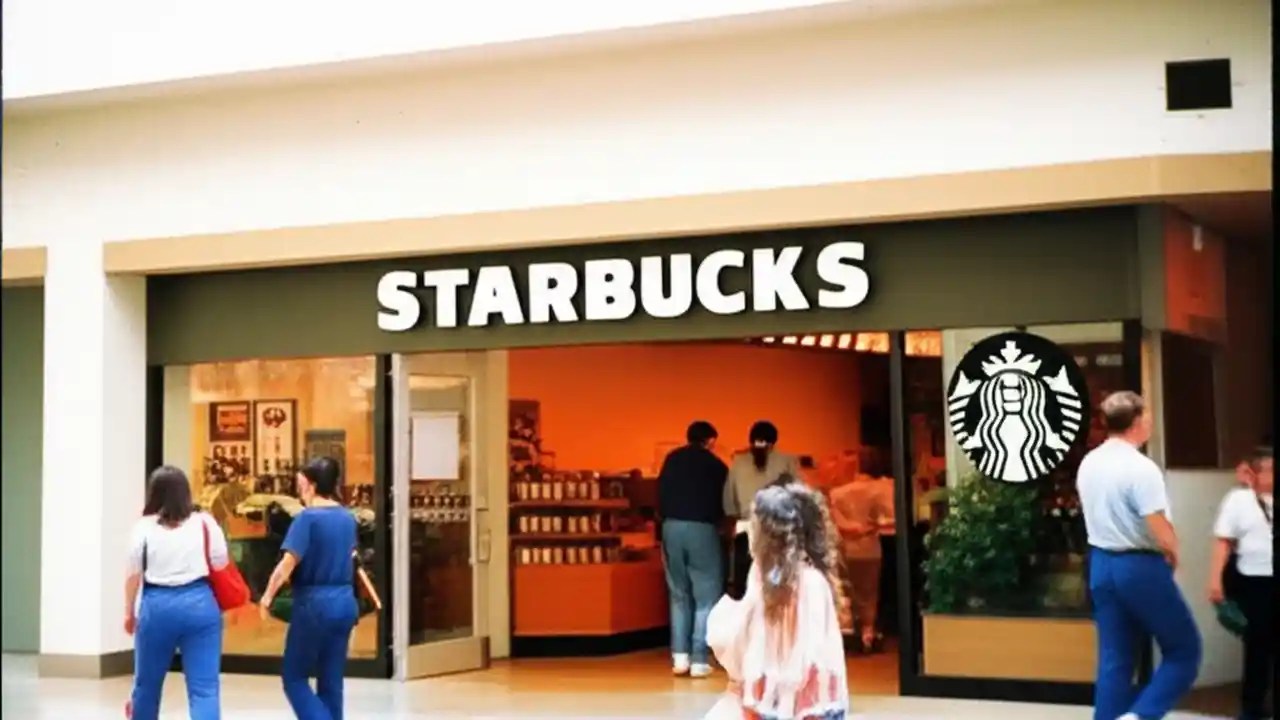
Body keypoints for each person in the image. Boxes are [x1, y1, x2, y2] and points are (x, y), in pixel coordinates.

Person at [1076, 391, 1201, 720]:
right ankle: (1140, 716)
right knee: (1184, 650)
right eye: (1147, 416)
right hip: (1139, 564)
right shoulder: (1141, 468)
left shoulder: (1090, 462)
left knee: (1115, 659)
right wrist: (1173, 552)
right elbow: (1159, 526)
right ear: (1137, 421)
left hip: (1101, 563)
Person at [703, 481, 850, 720]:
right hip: (775, 699)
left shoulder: (806, 583)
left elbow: (809, 658)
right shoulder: (767, 575)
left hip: (800, 705)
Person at [260, 457, 361, 720]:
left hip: (314, 603)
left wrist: (267, 596)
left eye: (302, 484)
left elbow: (287, 564)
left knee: (294, 677)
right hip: (344, 601)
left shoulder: (308, 519)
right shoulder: (347, 518)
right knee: (331, 680)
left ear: (312, 485)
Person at [125, 466, 228, 720]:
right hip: (200, 604)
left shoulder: (143, 528)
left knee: (146, 687)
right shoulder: (205, 522)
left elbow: (133, 576)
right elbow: (220, 562)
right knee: (204, 690)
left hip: (157, 606)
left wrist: (129, 613)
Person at [657, 420, 730, 678]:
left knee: (678, 594)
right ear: (710, 440)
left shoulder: (672, 459)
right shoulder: (716, 466)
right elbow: (726, 502)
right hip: (702, 529)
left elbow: (660, 493)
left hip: (671, 527)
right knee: (706, 595)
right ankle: (699, 659)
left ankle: (680, 658)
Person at [1208, 446, 1273, 720]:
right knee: (1258, 647)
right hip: (1254, 582)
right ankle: (1252, 708)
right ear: (1255, 473)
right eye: (1270, 470)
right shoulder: (1238, 500)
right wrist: (1214, 580)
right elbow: (1223, 541)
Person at [723, 421, 800, 600]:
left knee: (745, 588)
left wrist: (733, 520)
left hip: (745, 530)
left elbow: (728, 500)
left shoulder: (738, 463)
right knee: (774, 588)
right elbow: (797, 496)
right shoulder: (787, 461)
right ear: (774, 441)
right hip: (776, 530)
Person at [828, 453, 893, 652]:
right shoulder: (879, 492)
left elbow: (832, 522)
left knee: (846, 593)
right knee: (868, 595)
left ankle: (847, 635)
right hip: (869, 549)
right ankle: (867, 635)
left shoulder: (837, 493)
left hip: (844, 549)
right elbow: (887, 520)